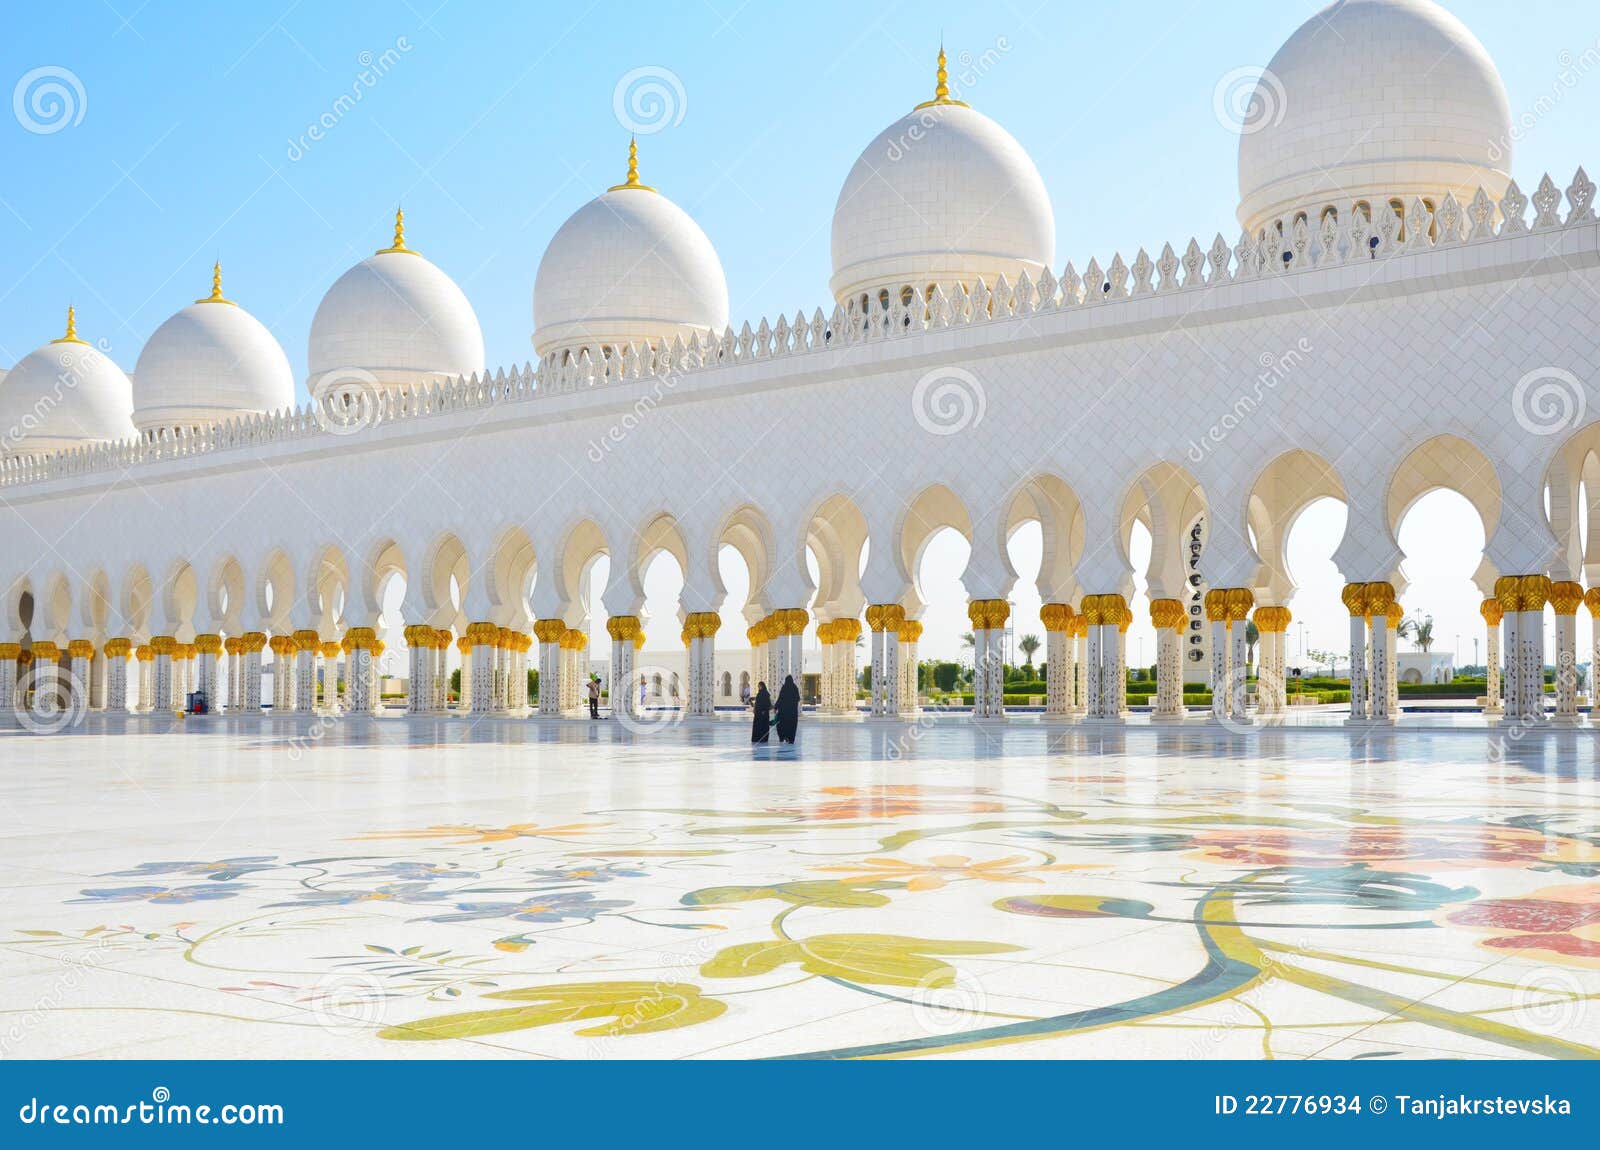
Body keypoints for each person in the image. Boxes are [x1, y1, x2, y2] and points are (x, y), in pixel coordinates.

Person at [775, 674, 800, 744]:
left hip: (784, 712)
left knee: (782, 725)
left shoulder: (784, 688)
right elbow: (798, 699)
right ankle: (790, 739)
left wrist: (776, 707)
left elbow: (780, 699)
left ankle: (782, 737)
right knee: (791, 726)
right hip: (792, 713)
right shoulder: (795, 688)